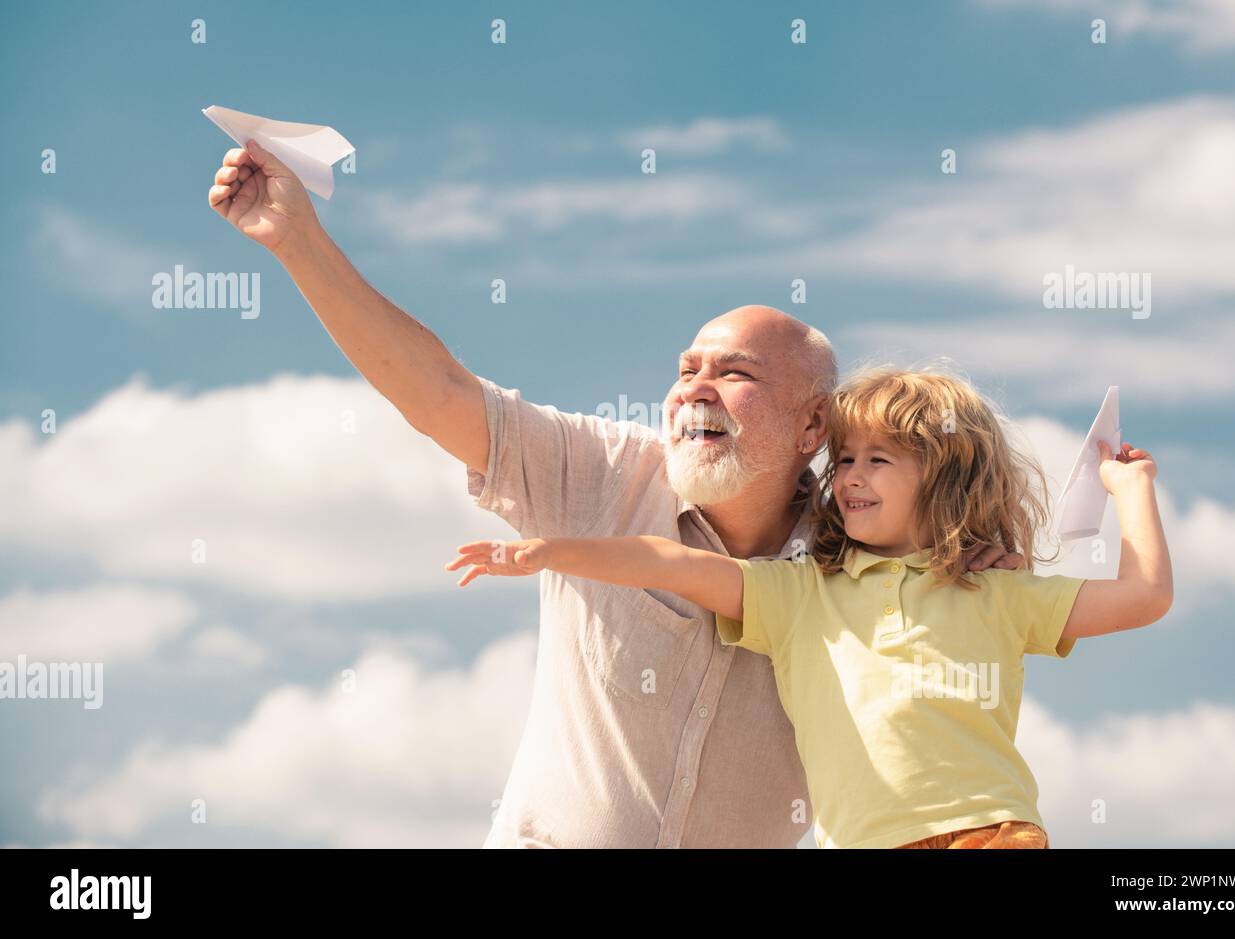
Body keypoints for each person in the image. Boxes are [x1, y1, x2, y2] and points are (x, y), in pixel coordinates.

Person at [208, 143, 1025, 848]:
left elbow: (960, 601)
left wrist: (975, 555)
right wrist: (296, 240)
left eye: (734, 372)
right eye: (685, 369)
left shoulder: (865, 556)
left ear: (814, 423)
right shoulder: (597, 471)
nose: (694, 389)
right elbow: (438, 390)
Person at [446, 366, 1174, 848]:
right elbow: (671, 561)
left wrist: (1130, 490)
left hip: (989, 832)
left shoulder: (994, 589)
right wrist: (552, 551)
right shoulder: (800, 592)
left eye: (878, 460)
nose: (851, 477)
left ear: (945, 477)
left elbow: (1144, 595)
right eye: (845, 459)